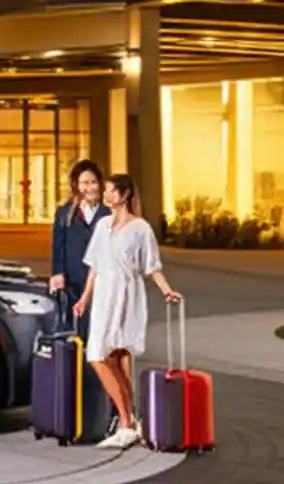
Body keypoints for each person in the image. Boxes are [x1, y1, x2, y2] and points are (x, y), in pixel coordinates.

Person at [73, 174, 182, 450]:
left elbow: (152, 266)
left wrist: (166, 289)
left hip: (126, 296)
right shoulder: (102, 225)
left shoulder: (141, 229)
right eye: (106, 191)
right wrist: (85, 298)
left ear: (124, 195)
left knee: (114, 355)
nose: (106, 195)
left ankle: (126, 423)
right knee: (99, 357)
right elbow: (95, 266)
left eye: (110, 191)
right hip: (103, 297)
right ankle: (129, 420)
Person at [49, 159, 110, 339]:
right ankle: (80, 363)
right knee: (77, 325)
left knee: (102, 326)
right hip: (73, 277)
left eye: (93, 182)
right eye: (85, 183)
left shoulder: (109, 211)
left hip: (103, 276)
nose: (90, 188)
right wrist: (57, 272)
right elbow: (58, 244)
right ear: (76, 185)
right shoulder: (66, 212)